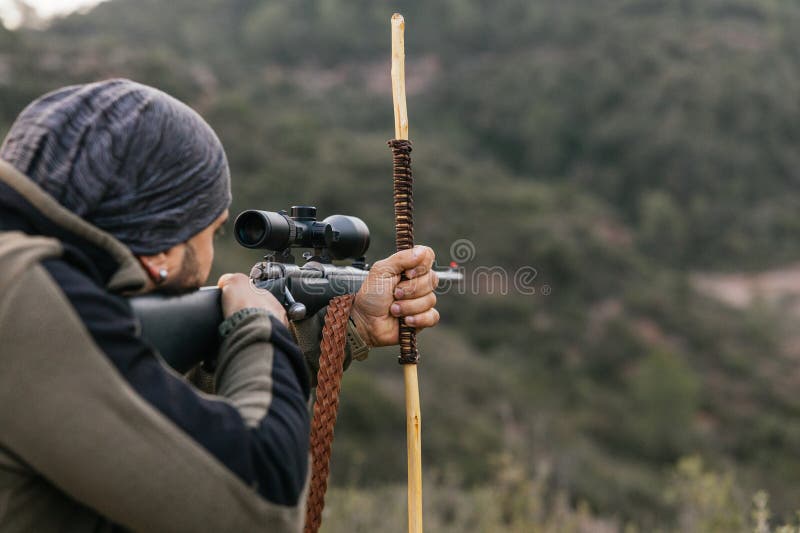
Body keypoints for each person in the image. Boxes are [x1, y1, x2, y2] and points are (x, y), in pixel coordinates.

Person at [0, 79, 440, 532]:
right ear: (159, 251)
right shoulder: (20, 294)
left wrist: (342, 328)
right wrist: (259, 329)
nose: (211, 256)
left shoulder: (26, 293)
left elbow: (154, 424)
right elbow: (261, 503)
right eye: (211, 232)